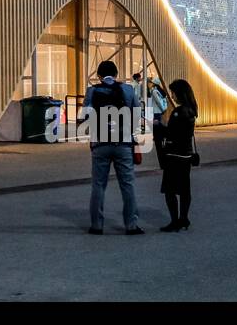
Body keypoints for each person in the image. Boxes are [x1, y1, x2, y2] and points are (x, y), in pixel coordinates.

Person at [83, 59, 143, 235]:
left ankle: (96, 225)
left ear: (99, 76)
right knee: (128, 185)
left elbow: (85, 117)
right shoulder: (128, 89)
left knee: (98, 185)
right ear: (116, 74)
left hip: (100, 144)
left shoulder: (92, 91)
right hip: (123, 143)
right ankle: (131, 225)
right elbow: (137, 114)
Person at [156, 79, 198, 232]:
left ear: (179, 93)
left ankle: (175, 221)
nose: (171, 96)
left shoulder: (178, 112)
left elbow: (171, 133)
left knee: (170, 190)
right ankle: (184, 218)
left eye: (173, 92)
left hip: (174, 155)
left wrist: (159, 126)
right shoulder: (191, 111)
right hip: (186, 155)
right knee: (185, 189)